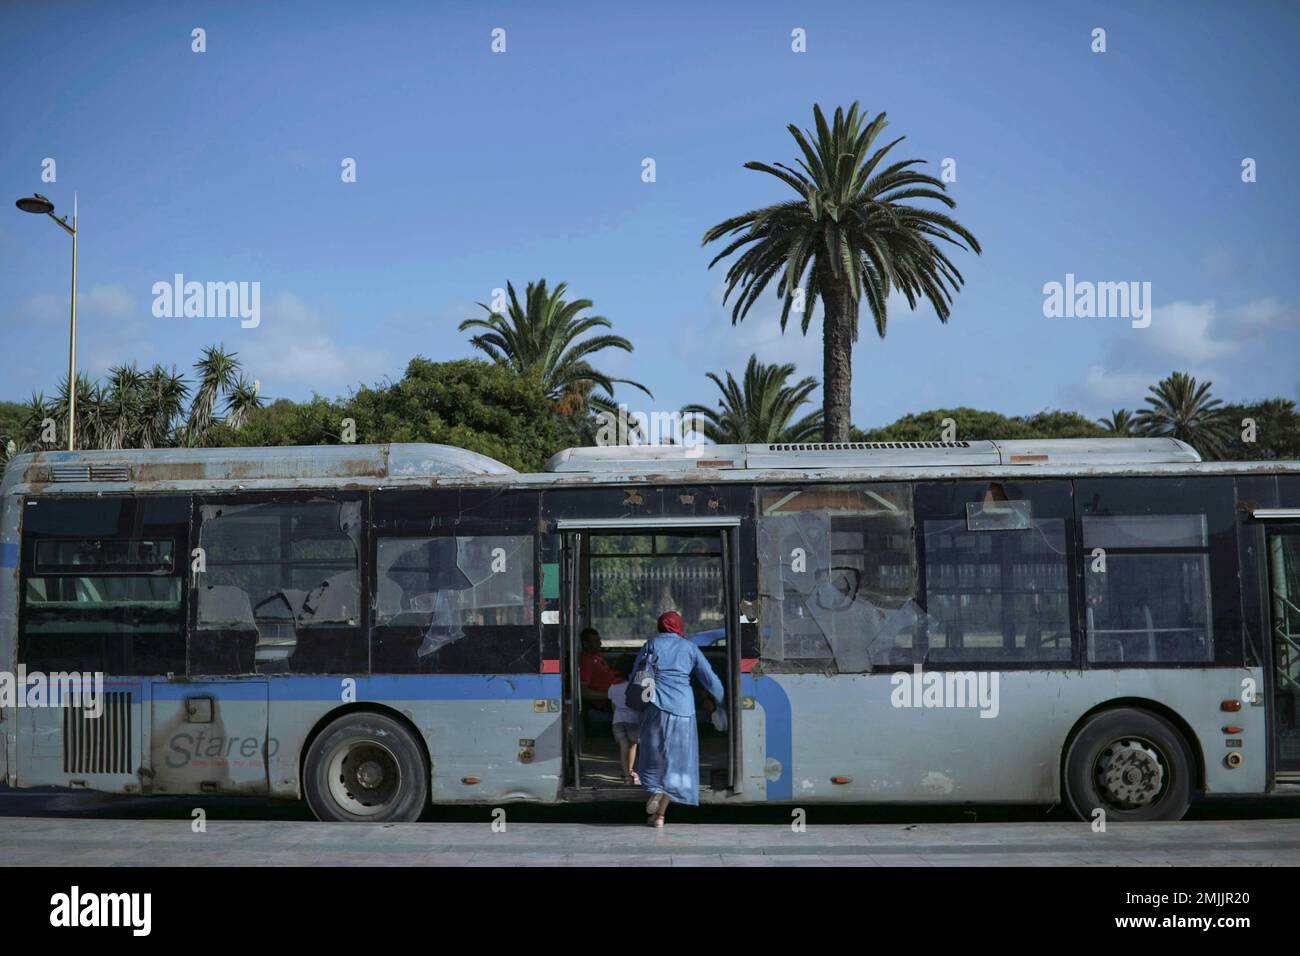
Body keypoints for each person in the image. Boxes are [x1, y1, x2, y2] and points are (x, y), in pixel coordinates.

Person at [631, 610, 724, 827]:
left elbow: (636, 674)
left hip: (654, 705)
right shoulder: (689, 647)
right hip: (683, 709)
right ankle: (661, 816)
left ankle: (655, 790)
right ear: (679, 625)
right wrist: (723, 699)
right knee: (678, 763)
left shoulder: (650, 645)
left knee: (654, 757)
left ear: (660, 625)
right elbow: (709, 679)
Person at [578, 627, 622, 709]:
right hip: (605, 701)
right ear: (586, 644)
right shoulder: (586, 661)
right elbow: (583, 692)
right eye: (595, 641)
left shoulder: (596, 657)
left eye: (599, 640)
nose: (600, 644)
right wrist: (609, 695)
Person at [607, 679, 640, 785]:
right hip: (633, 720)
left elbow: (613, 706)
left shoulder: (613, 686)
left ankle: (627, 777)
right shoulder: (635, 686)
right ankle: (631, 771)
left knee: (623, 748)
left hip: (618, 720)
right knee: (632, 746)